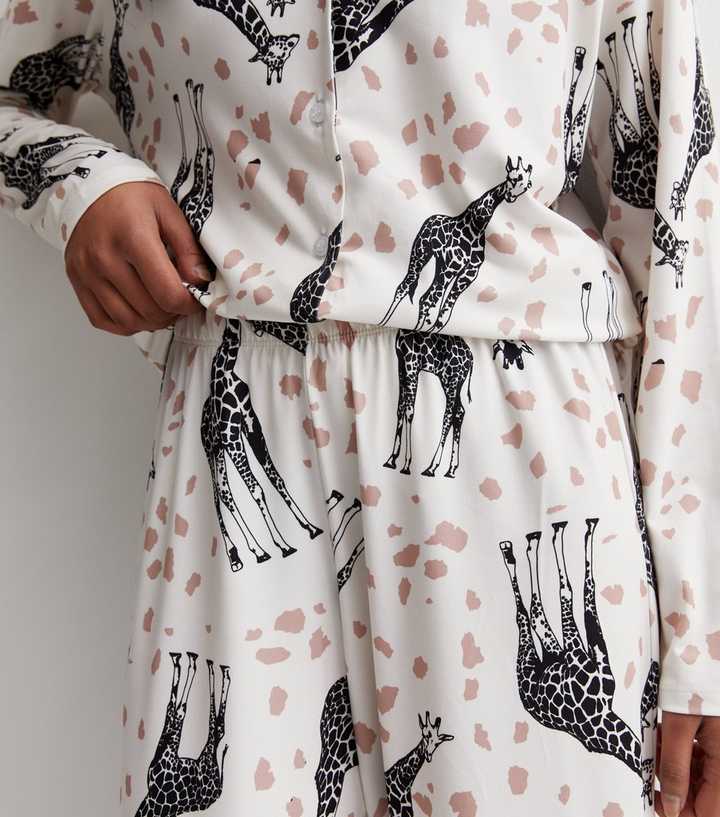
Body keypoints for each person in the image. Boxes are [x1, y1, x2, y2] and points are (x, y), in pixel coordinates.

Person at [1, 0, 718, 814]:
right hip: (242, 440)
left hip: (523, 442)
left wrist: (703, 630)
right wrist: (78, 184)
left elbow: (679, 209)